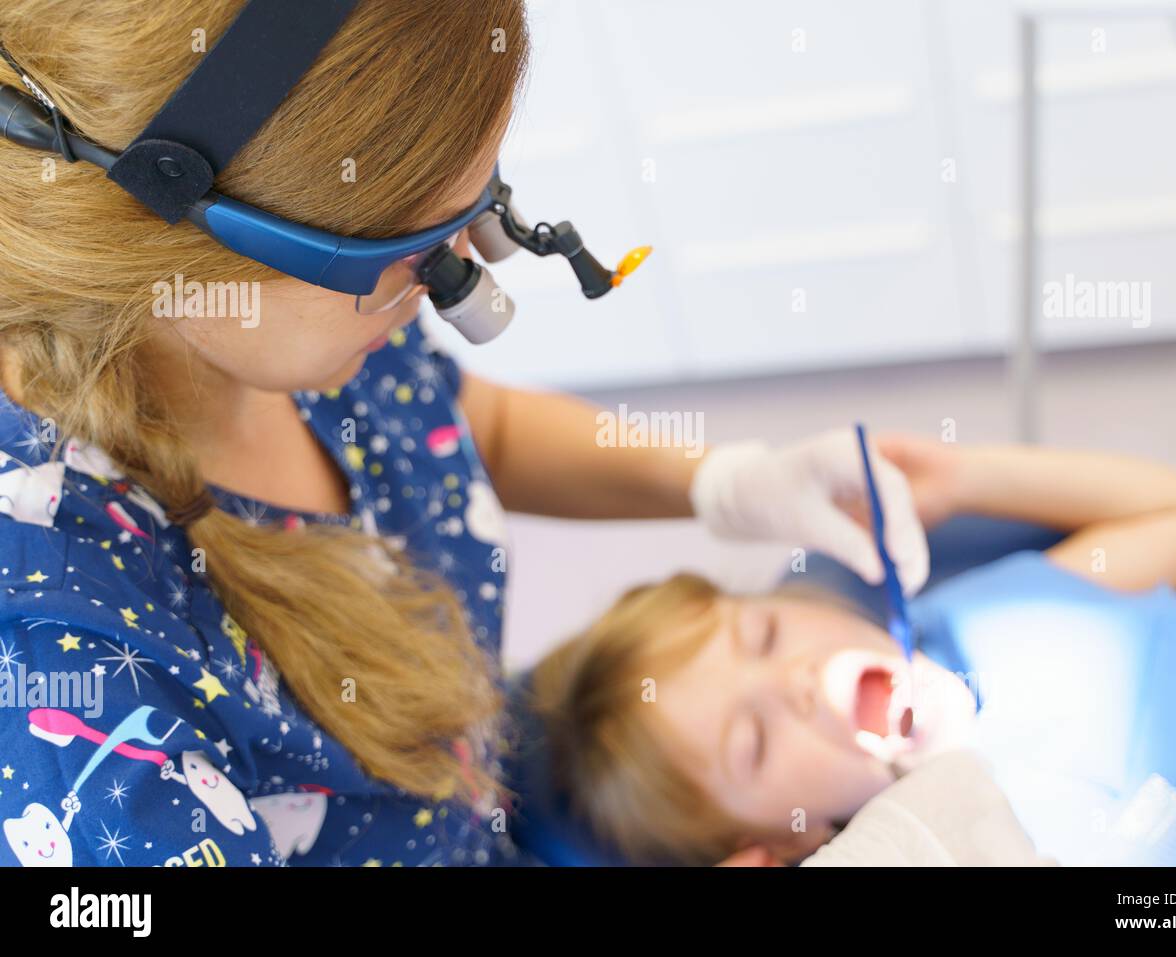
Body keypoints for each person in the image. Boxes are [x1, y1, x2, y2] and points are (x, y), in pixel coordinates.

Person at [0, 0, 927, 867]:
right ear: (178, 235)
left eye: (479, 206)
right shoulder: (64, 673)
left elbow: (457, 432)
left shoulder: (305, 334)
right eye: (418, 250)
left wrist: (723, 482)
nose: (463, 287)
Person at [532, 434, 1176, 866]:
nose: (795, 683)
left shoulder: (981, 616)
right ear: (775, 843)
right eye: (753, 741)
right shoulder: (965, 849)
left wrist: (967, 478)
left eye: (763, 634)